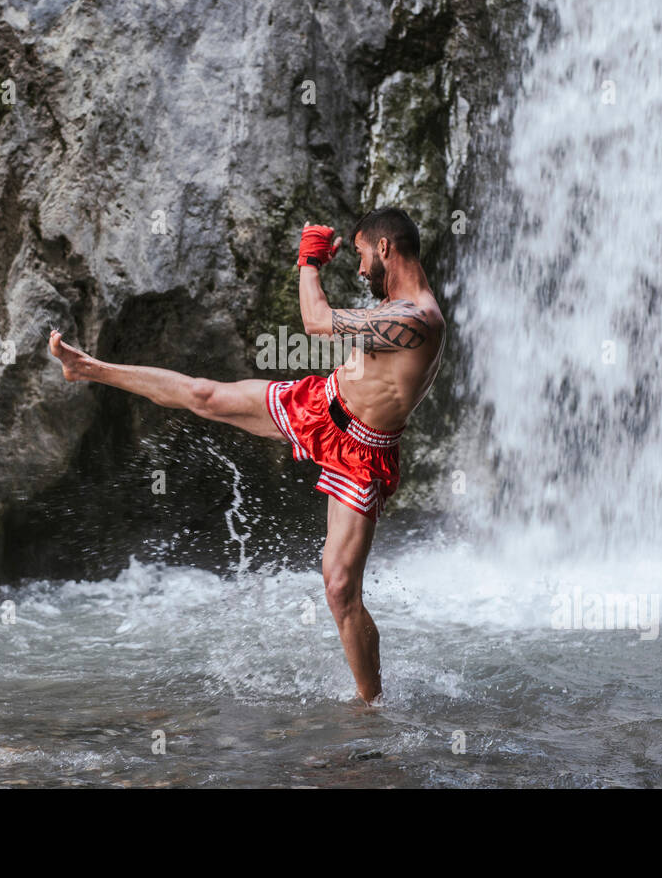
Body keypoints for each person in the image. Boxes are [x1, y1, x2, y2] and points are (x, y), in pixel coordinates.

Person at [48, 207, 445, 702]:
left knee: (340, 586)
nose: (362, 269)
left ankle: (372, 705)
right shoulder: (395, 306)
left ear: (385, 248)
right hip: (321, 404)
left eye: (363, 255)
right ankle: (88, 368)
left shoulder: (415, 319)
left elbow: (315, 321)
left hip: (361, 451)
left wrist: (309, 261)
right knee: (205, 395)